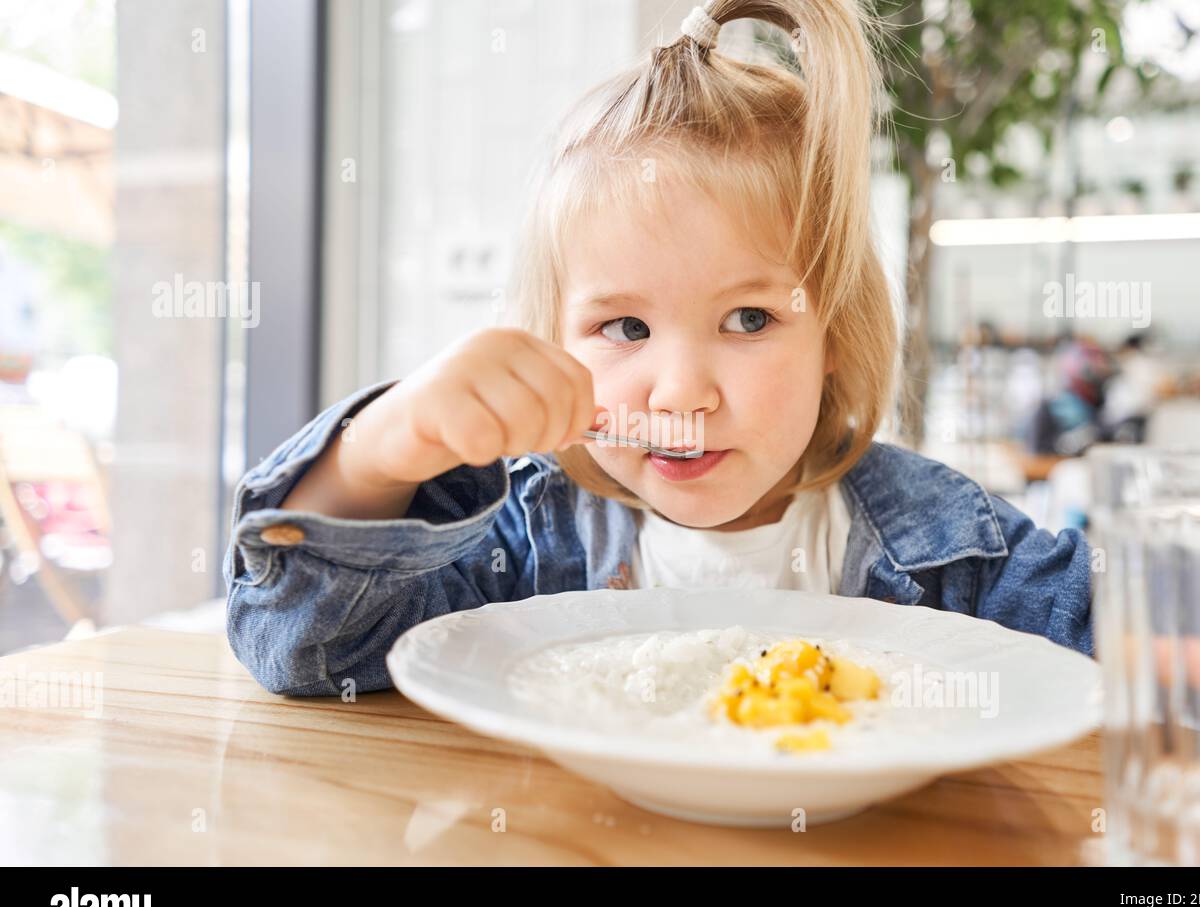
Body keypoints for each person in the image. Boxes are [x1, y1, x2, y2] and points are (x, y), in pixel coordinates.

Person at [224, 0, 1095, 696]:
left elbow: (1142, 645)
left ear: (831, 331)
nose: (679, 394)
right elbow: (308, 651)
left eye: (749, 320)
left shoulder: (944, 546)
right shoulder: (525, 540)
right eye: (626, 328)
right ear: (556, 340)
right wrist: (383, 447)